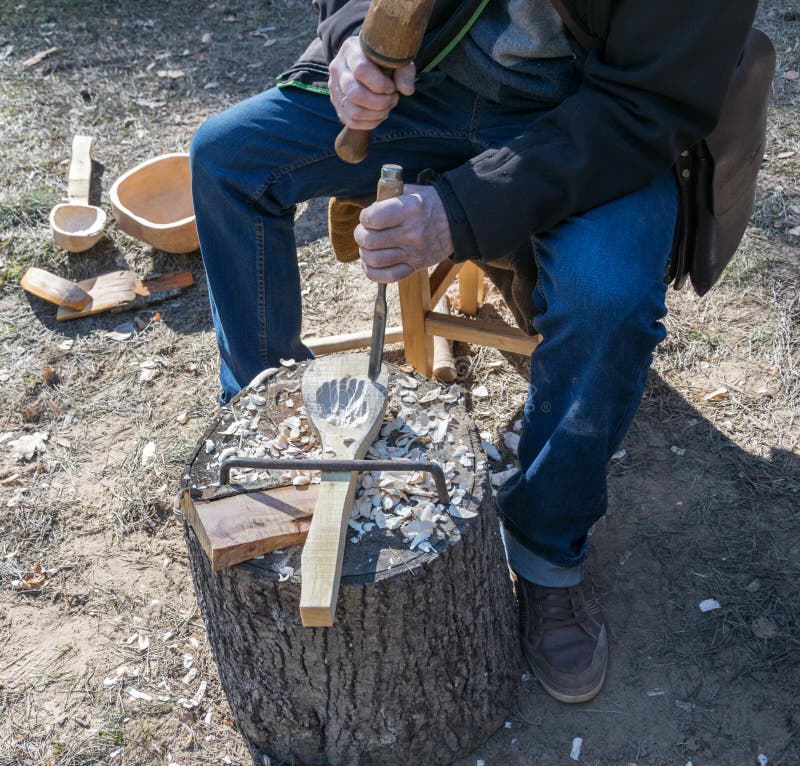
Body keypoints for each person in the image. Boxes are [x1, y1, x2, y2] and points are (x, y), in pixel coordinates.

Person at [190, 0, 757, 703]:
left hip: (594, 118)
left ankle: (546, 553)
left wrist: (459, 210)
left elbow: (651, 104)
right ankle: (274, 440)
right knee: (228, 159)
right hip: (430, 81)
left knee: (607, 298)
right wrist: (350, 42)